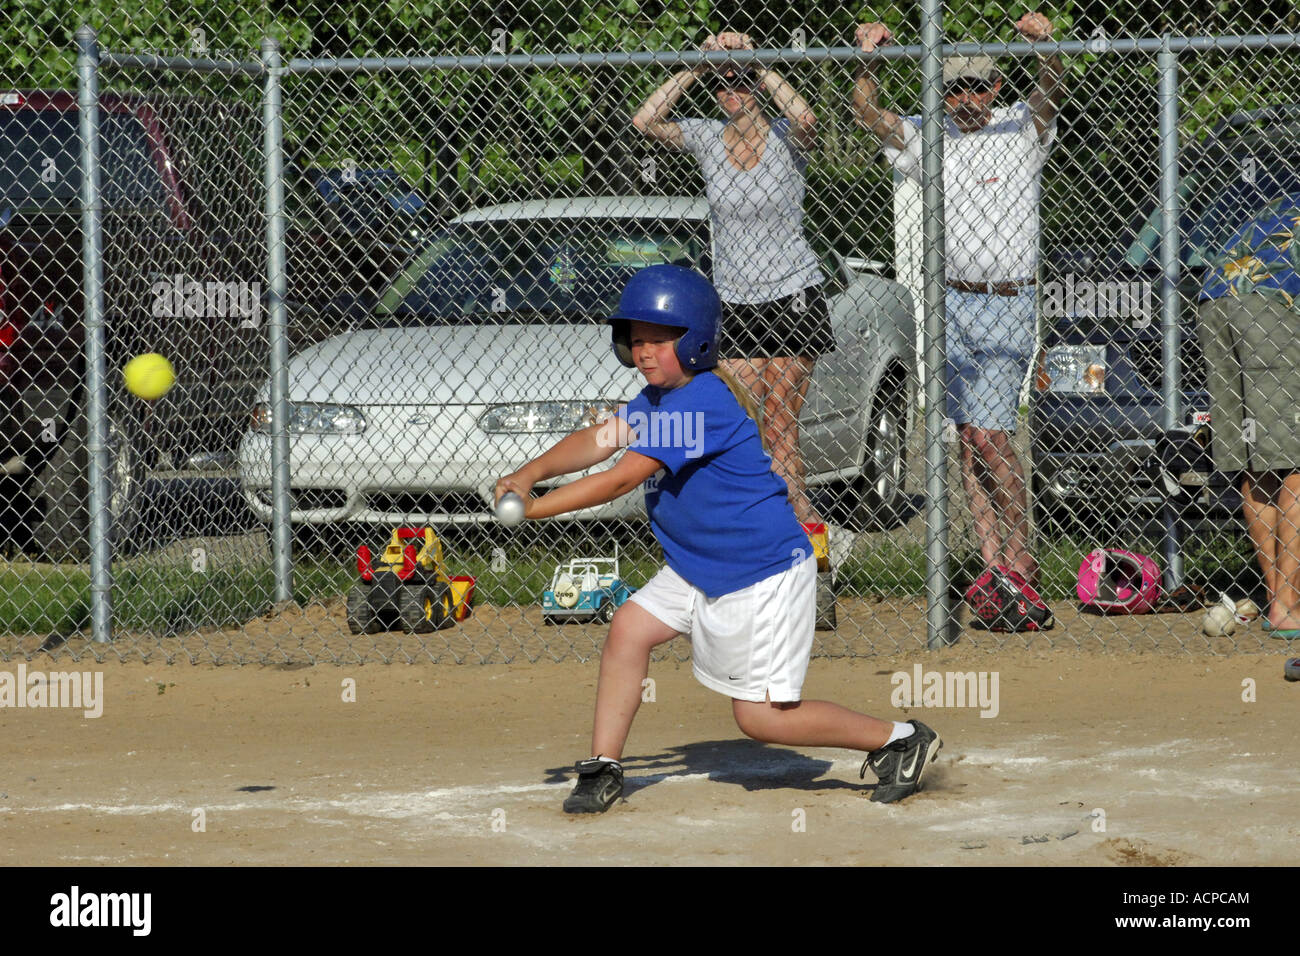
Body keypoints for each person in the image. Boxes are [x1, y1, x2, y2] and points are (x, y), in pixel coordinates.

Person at [495, 265, 941, 812]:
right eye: (637, 340)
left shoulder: (700, 403)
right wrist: (529, 473)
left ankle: (899, 739)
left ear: (697, 341)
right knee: (629, 629)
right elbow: (599, 439)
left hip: (761, 573)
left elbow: (619, 478)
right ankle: (604, 766)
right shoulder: (654, 401)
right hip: (698, 565)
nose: (646, 352)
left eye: (661, 339)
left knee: (759, 719)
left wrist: (535, 508)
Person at [852, 13, 1064, 591]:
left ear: (997, 88)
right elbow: (867, 115)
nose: (967, 98)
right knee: (966, 439)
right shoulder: (929, 136)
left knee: (994, 437)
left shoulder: (1019, 130)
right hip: (952, 306)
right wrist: (868, 60)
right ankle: (995, 564)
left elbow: (1051, 91)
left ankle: (1022, 563)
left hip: (1007, 304)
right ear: (940, 92)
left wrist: (1046, 47)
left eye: (978, 86)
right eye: (954, 88)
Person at [631, 31, 844, 565]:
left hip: (792, 292)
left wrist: (758, 64)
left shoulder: (784, 135)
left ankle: (800, 542)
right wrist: (699, 66)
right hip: (735, 299)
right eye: (726, 84)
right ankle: (758, 540)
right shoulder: (706, 136)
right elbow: (645, 121)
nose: (734, 90)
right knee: (747, 425)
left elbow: (809, 119)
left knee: (781, 423)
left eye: (742, 81)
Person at [1198, 192, 1300, 639]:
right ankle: (1285, 606)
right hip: (1273, 301)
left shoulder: (1284, 201)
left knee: (1259, 461)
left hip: (1215, 297)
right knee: (1296, 462)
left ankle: (1279, 596)